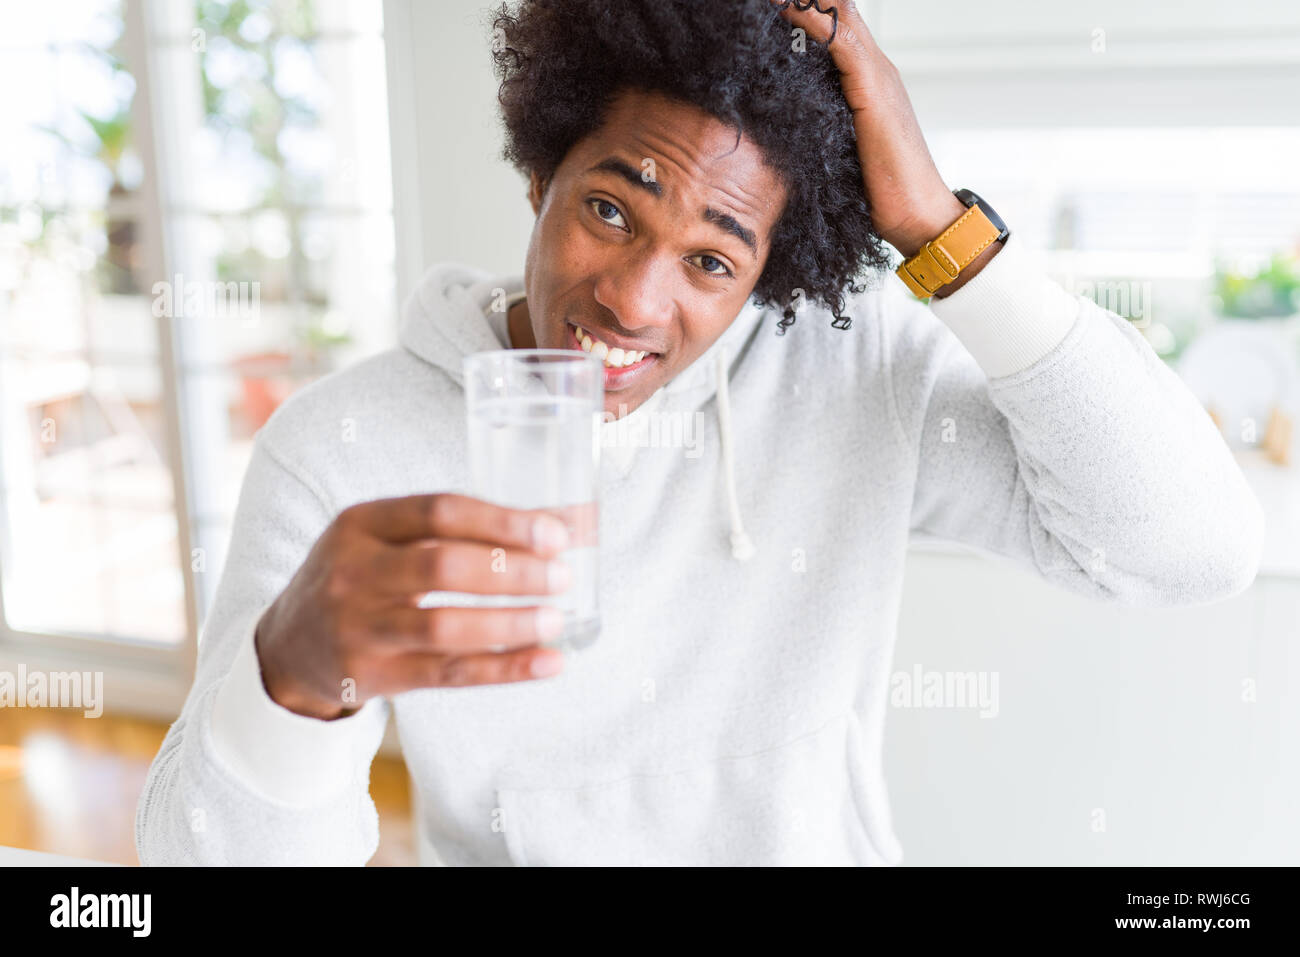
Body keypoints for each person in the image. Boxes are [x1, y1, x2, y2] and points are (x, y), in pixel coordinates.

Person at [137, 0, 1264, 866]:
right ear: (541, 174)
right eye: (610, 209)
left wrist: (937, 226)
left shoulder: (850, 375)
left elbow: (1192, 546)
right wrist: (291, 677)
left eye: (713, 260)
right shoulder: (340, 448)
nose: (633, 300)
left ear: (769, 274)